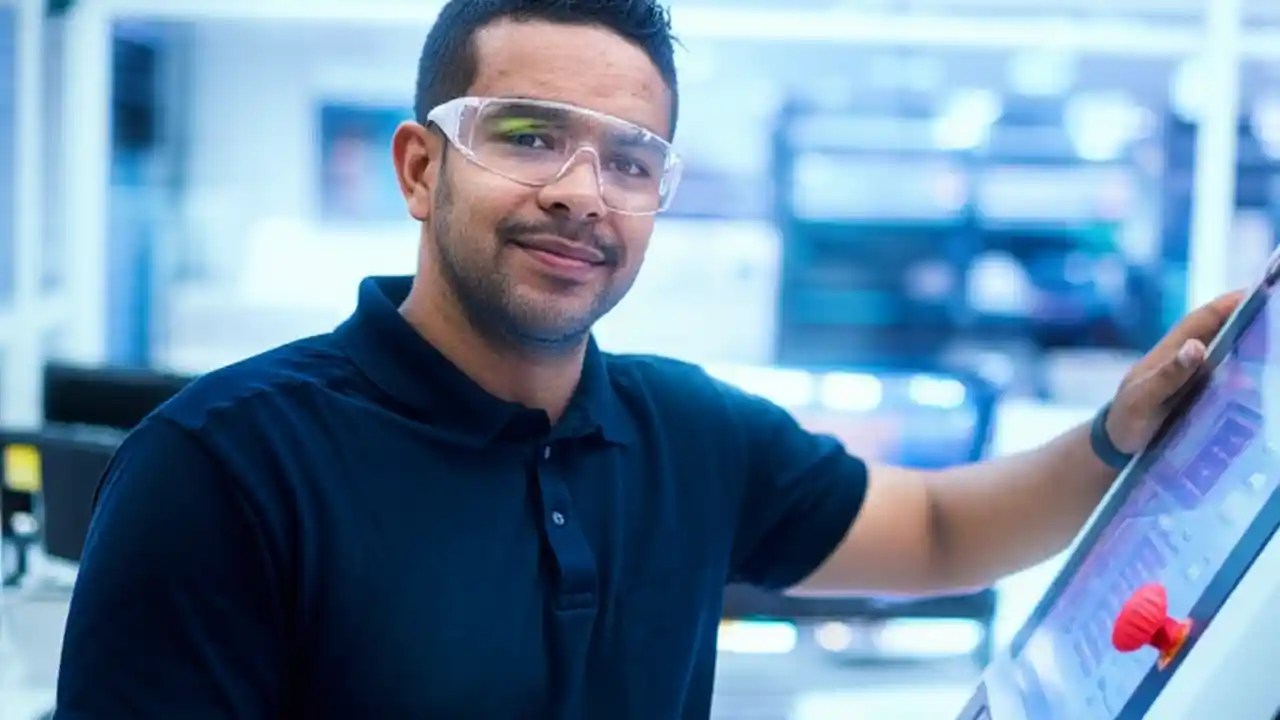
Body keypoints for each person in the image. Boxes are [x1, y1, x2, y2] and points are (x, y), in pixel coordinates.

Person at [54, 1, 1242, 718]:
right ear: (420, 170)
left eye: (631, 160)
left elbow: (936, 530)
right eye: (528, 136)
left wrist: (1110, 437)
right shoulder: (222, 470)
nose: (583, 193)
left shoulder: (688, 435)